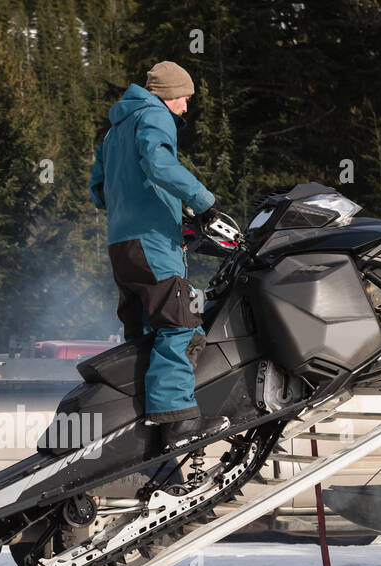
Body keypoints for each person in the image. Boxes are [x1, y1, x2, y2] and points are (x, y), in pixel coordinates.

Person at [89, 61, 228, 449]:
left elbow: (97, 191)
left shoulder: (115, 130)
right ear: (168, 94)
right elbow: (158, 162)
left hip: (121, 247)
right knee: (180, 324)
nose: (186, 107)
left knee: (143, 336)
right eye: (184, 98)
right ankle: (179, 422)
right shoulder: (153, 115)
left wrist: (154, 204)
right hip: (152, 246)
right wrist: (202, 203)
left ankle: (138, 427)